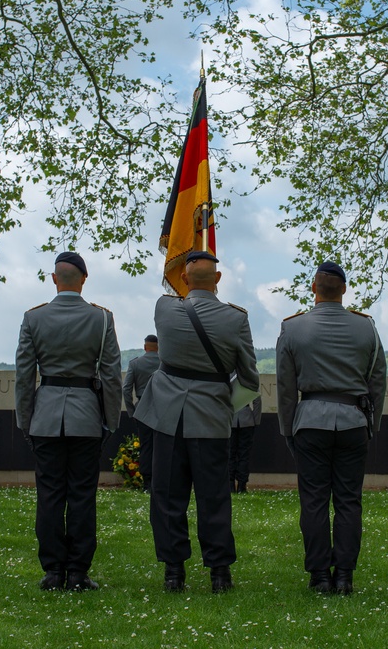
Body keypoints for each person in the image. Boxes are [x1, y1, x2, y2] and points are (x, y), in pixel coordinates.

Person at [134, 251, 259, 594]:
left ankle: (174, 572)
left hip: (167, 417)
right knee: (214, 497)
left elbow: (173, 293)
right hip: (211, 419)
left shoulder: (164, 309)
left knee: (167, 497)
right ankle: (220, 574)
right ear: (218, 280)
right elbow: (249, 381)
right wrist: (222, 406)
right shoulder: (235, 319)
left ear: (185, 280)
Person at [276, 261, 387, 595]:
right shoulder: (366, 328)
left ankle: (320, 575)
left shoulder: (292, 328)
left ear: (313, 288)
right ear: (344, 290)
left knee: (313, 501)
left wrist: (287, 429)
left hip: (310, 421)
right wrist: (372, 424)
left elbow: (285, 386)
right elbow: (377, 379)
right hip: (353, 421)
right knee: (349, 501)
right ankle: (345, 576)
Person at [15, 251, 122, 592]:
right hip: (86, 417)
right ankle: (77, 571)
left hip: (45, 418)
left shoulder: (34, 319)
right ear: (84, 280)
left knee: (49, 496)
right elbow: (111, 375)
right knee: (81, 496)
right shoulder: (101, 319)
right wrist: (111, 420)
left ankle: (52, 571)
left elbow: (23, 376)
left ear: (53, 278)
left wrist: (25, 420)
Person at [122, 334, 160, 489]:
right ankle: (159, 481)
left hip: (142, 409)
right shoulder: (164, 363)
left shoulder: (135, 363)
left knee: (146, 446)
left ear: (145, 347)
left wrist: (132, 411)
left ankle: (147, 483)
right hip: (162, 409)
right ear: (158, 347)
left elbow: (126, 390)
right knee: (161, 447)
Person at [229, 395, 262, 494]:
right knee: (244, 455)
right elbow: (257, 400)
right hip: (247, 420)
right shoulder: (248, 380)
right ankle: (241, 486)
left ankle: (230, 485)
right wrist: (255, 420)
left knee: (230, 455)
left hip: (231, 419)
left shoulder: (228, 379)